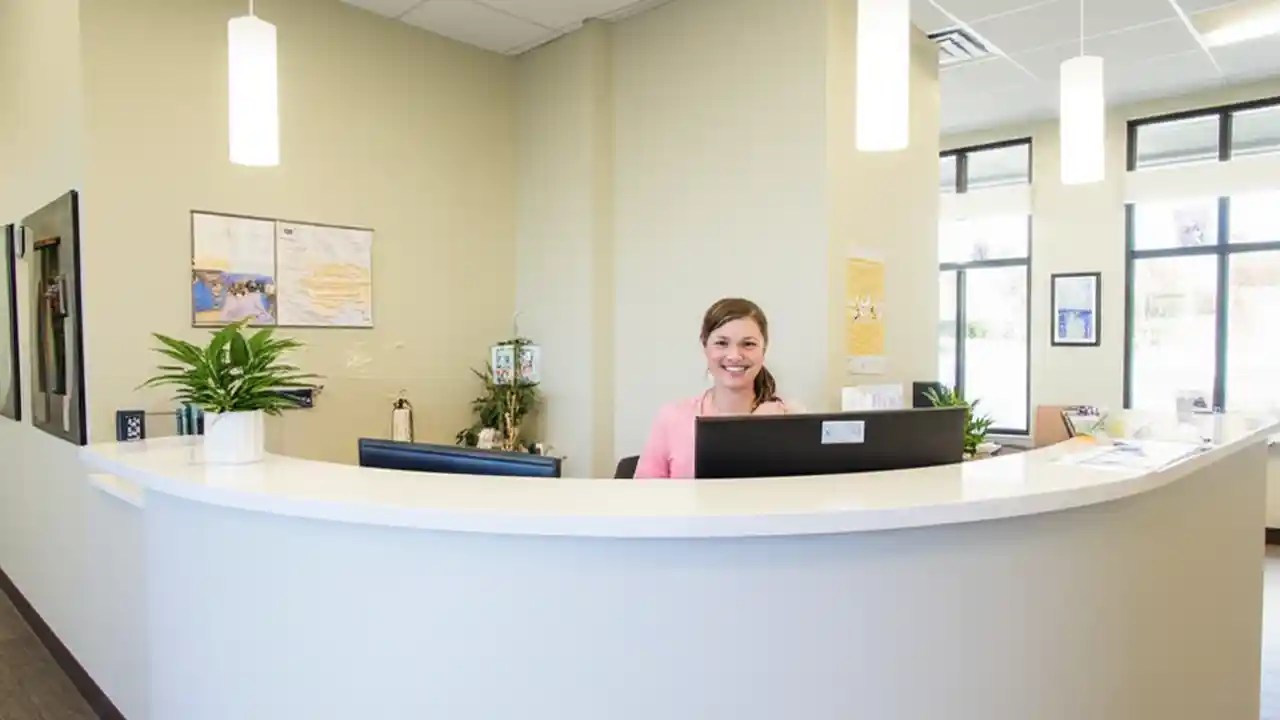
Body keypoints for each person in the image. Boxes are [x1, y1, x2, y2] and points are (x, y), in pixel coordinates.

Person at [634, 297, 798, 479]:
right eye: (721, 343)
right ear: (705, 347)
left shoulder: (791, 416)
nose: (734, 356)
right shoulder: (672, 418)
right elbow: (643, 498)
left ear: (764, 349)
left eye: (748, 344)